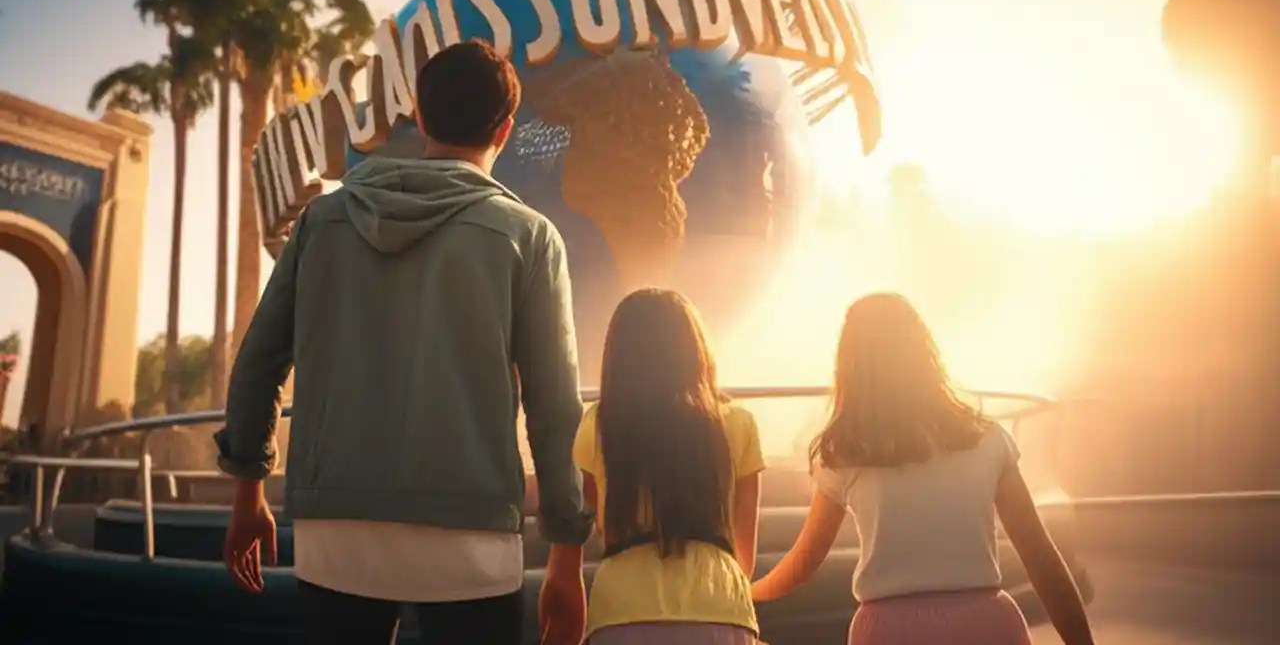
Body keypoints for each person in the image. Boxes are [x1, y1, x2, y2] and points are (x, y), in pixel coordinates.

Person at [215, 39, 593, 644]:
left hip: (334, 532)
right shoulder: (529, 236)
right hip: (471, 542)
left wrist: (247, 491)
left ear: (419, 117)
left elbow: (259, 362)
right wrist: (567, 558)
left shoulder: (322, 221)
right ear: (505, 129)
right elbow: (553, 410)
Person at [750, 293, 1095, 645]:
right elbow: (1040, 557)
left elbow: (803, 563)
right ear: (925, 356)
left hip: (889, 632)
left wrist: (749, 593)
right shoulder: (987, 439)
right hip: (989, 626)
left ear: (851, 367)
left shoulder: (842, 454)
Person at [542, 288, 765, 644]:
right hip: (721, 610)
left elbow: (567, 559)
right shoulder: (739, 425)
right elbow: (743, 558)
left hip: (621, 614)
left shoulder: (598, 425)